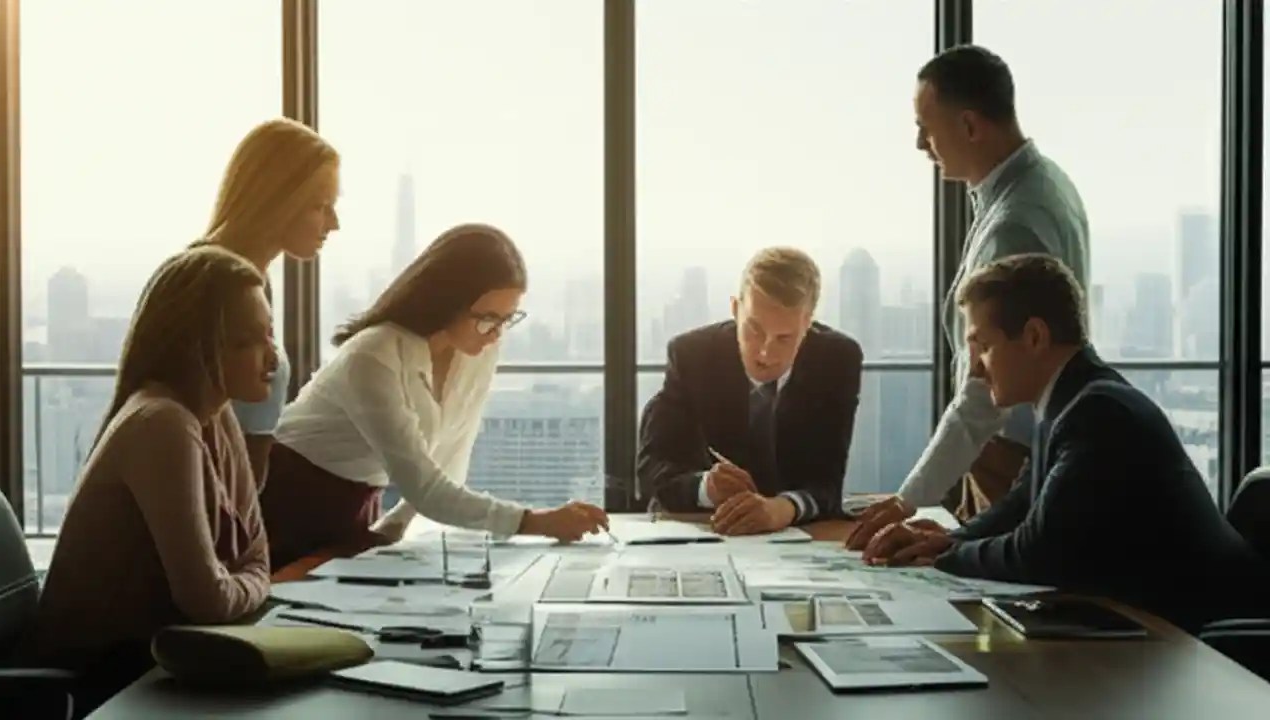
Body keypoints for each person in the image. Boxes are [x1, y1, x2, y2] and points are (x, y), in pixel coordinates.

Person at [861, 254, 1265, 632]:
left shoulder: (1098, 413)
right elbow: (1020, 507)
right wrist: (950, 539)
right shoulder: (1076, 400)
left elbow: (1038, 553)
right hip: (1162, 630)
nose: (976, 367)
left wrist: (944, 556)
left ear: (1035, 337)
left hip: (1209, 644)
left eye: (983, 346)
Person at [849, 44, 1090, 550]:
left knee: (987, 602)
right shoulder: (1044, 185)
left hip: (1009, 458)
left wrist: (908, 498)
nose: (919, 143)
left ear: (971, 126)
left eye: (926, 126)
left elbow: (984, 392)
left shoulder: (1014, 223)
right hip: (1014, 449)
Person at [261, 223, 608, 566]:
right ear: (448, 301)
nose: (496, 334)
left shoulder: (475, 352)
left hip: (357, 506)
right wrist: (536, 521)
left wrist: (393, 532)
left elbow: (448, 463)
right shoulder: (374, 354)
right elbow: (424, 484)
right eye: (488, 318)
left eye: (507, 319)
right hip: (292, 500)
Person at [27, 246, 274, 711]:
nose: (273, 357)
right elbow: (208, 598)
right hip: (104, 684)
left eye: (270, 334)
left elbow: (256, 556)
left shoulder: (216, 415)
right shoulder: (162, 423)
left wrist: (246, 579)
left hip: (159, 667)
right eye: (250, 340)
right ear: (200, 346)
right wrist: (252, 582)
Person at [637, 247, 862, 535]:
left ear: (807, 324)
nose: (766, 353)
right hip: (707, 531)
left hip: (793, 541)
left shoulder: (837, 360)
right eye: (754, 330)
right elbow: (651, 470)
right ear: (735, 309)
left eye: (784, 338)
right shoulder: (692, 354)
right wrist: (706, 487)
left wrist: (783, 508)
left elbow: (827, 482)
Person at [193, 117, 341, 487]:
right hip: (212, 506)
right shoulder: (214, 283)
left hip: (234, 508)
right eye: (321, 206)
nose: (333, 223)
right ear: (280, 199)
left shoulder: (253, 280)